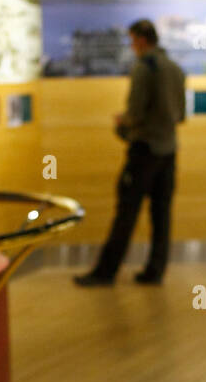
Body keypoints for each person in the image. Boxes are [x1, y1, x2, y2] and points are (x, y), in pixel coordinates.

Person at [74, 18, 186, 287]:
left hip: (144, 150)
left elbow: (134, 113)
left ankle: (105, 271)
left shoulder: (144, 68)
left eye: (132, 40)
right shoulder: (175, 69)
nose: (131, 46)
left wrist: (122, 122)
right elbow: (180, 114)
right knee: (161, 214)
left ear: (141, 40)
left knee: (126, 213)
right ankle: (155, 270)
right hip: (168, 150)